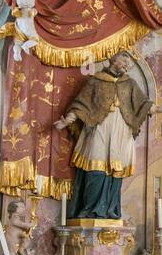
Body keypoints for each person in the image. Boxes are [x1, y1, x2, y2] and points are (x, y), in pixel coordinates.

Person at [54, 51, 152, 219]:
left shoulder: (130, 84)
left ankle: (110, 210)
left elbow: (143, 104)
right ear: (113, 60)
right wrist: (66, 121)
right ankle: (90, 209)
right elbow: (82, 105)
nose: (126, 65)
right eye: (124, 61)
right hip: (99, 126)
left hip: (122, 130)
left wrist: (160, 109)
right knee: (95, 165)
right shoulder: (95, 81)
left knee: (116, 169)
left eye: (128, 64)